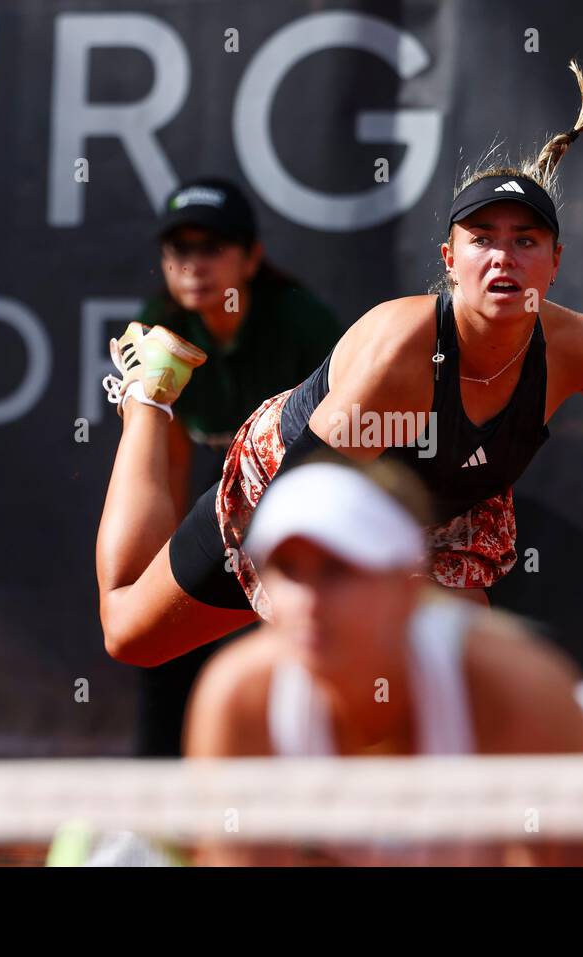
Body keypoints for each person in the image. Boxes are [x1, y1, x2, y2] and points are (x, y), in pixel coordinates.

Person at [96, 58, 583, 670]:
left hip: (448, 509)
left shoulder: (578, 345)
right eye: (481, 239)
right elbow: (298, 506)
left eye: (526, 241)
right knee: (129, 633)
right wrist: (319, 615)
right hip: (298, 485)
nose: (503, 257)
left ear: (555, 261)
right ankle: (148, 396)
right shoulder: (399, 355)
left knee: (454, 675)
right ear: (450, 261)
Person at [182, 457, 583, 866]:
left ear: (404, 584)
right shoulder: (238, 698)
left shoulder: (515, 688)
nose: (308, 601)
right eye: (288, 569)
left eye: (338, 570)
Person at [107, 177, 340, 755]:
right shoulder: (161, 327)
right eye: (179, 249)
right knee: (156, 638)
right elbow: (169, 458)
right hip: (221, 507)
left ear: (252, 257)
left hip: (304, 513)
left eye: (212, 247)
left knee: (293, 666)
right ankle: (157, 820)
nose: (193, 264)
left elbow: (349, 449)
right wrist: (168, 560)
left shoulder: (300, 324)